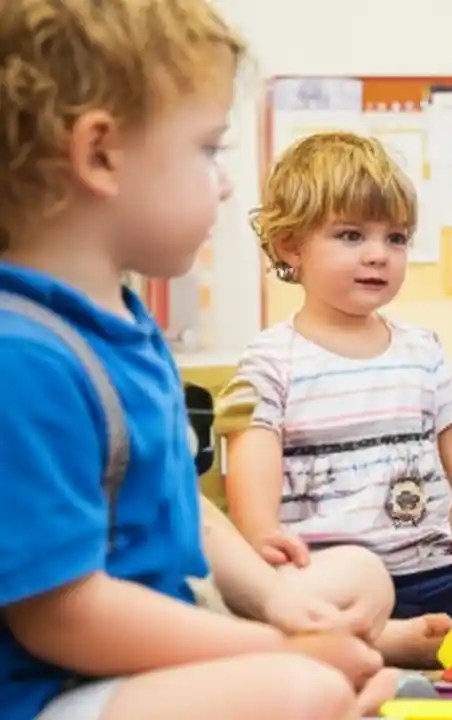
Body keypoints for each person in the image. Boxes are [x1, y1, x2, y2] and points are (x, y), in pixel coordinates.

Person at [0, 3, 393, 720]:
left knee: (361, 576)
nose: (225, 184)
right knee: (305, 690)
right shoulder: (23, 359)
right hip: (50, 687)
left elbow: (186, 507)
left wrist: (281, 603)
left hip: (145, 639)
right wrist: (274, 651)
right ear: (101, 155)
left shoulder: (121, 322)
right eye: (209, 150)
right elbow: (60, 615)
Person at [217, 132, 452, 665]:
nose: (378, 255)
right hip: (328, 572)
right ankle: (381, 639)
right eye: (350, 236)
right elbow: (251, 447)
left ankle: (383, 639)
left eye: (395, 238)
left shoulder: (423, 351)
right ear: (290, 247)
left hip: (428, 566)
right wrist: (261, 534)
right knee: (296, 603)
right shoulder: (272, 360)